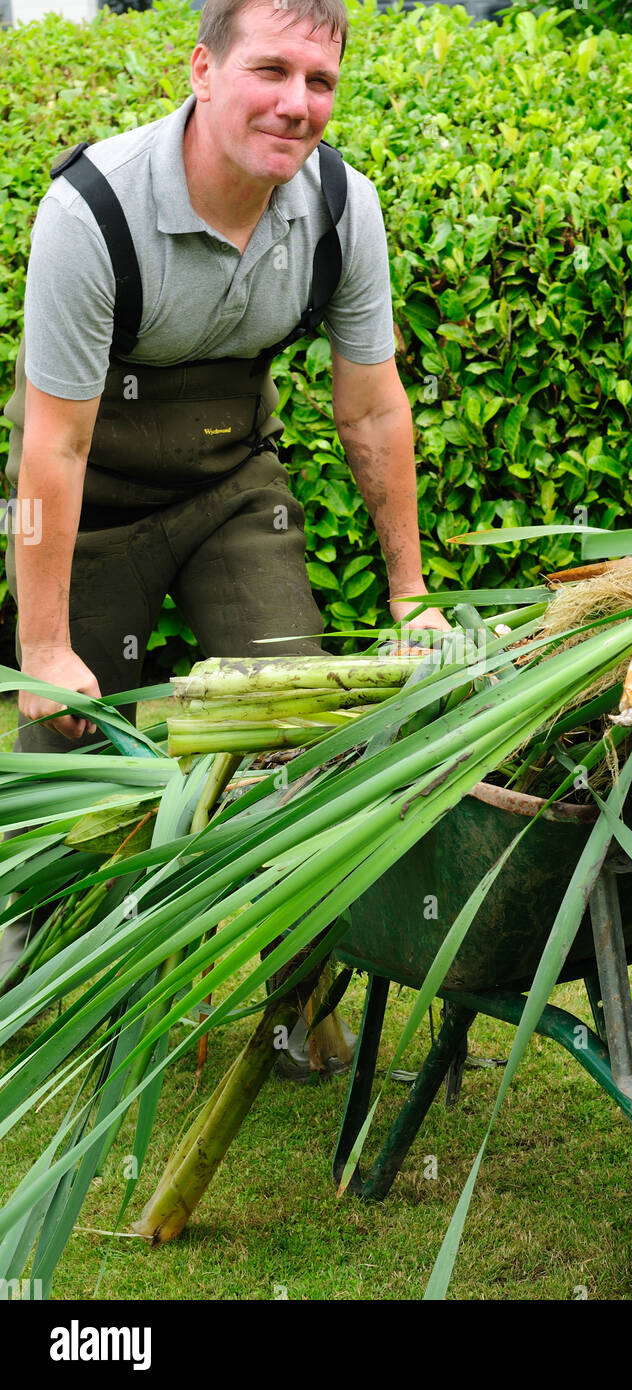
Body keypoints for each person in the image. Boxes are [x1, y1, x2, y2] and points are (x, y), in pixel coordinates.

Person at [0, 0, 449, 981]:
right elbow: (51, 448)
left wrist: (410, 592)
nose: (296, 104)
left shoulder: (340, 207)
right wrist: (44, 645)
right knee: (76, 753)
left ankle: (298, 999)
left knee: (294, 721)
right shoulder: (94, 210)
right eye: (271, 72)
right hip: (92, 502)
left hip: (231, 485)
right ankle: (44, 975)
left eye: (318, 82)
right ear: (202, 72)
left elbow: (371, 412)